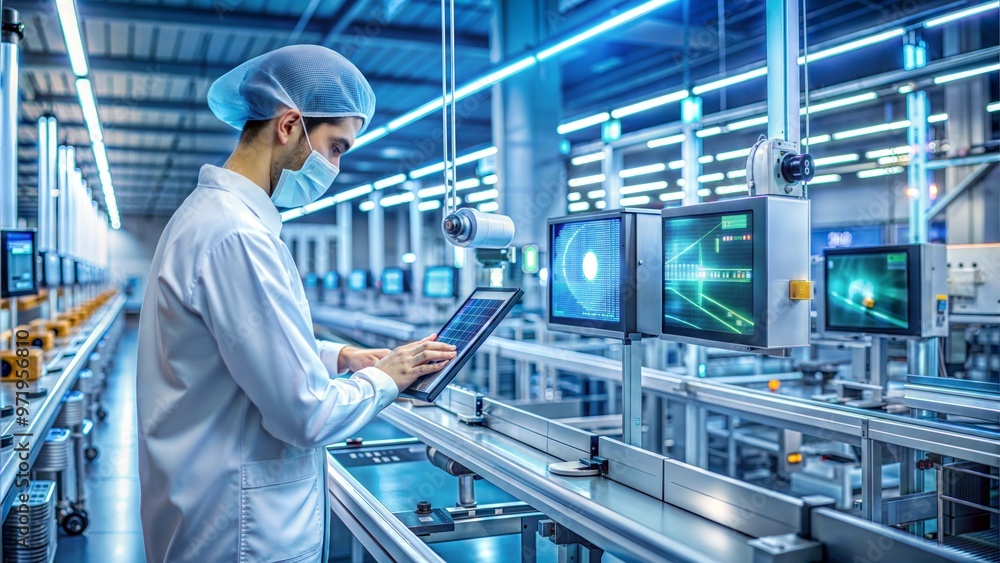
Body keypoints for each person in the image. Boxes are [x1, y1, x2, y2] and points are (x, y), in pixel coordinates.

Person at [135, 45, 455, 562]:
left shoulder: (212, 218)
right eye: (335, 147)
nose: (335, 165)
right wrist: (387, 377)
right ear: (288, 125)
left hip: (212, 513)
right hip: (239, 533)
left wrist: (340, 358)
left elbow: (241, 347)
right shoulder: (236, 236)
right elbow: (305, 417)